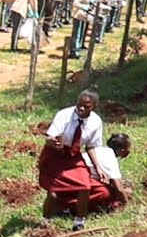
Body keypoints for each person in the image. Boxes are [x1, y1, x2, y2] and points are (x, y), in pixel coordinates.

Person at [38, 90, 106, 218]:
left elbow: (90, 146)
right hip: (54, 155)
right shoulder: (64, 115)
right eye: (79, 104)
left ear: (93, 107)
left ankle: (79, 220)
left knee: (85, 187)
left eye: (86, 106)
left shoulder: (96, 122)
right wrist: (54, 142)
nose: (81, 108)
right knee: (53, 193)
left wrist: (98, 167)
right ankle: (46, 220)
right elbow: (49, 138)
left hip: (73, 157)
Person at [42, 132, 131, 228]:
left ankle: (62, 202)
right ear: (122, 150)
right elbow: (118, 188)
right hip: (78, 181)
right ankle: (71, 207)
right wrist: (126, 204)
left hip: (65, 177)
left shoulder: (98, 150)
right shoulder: (110, 157)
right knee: (106, 193)